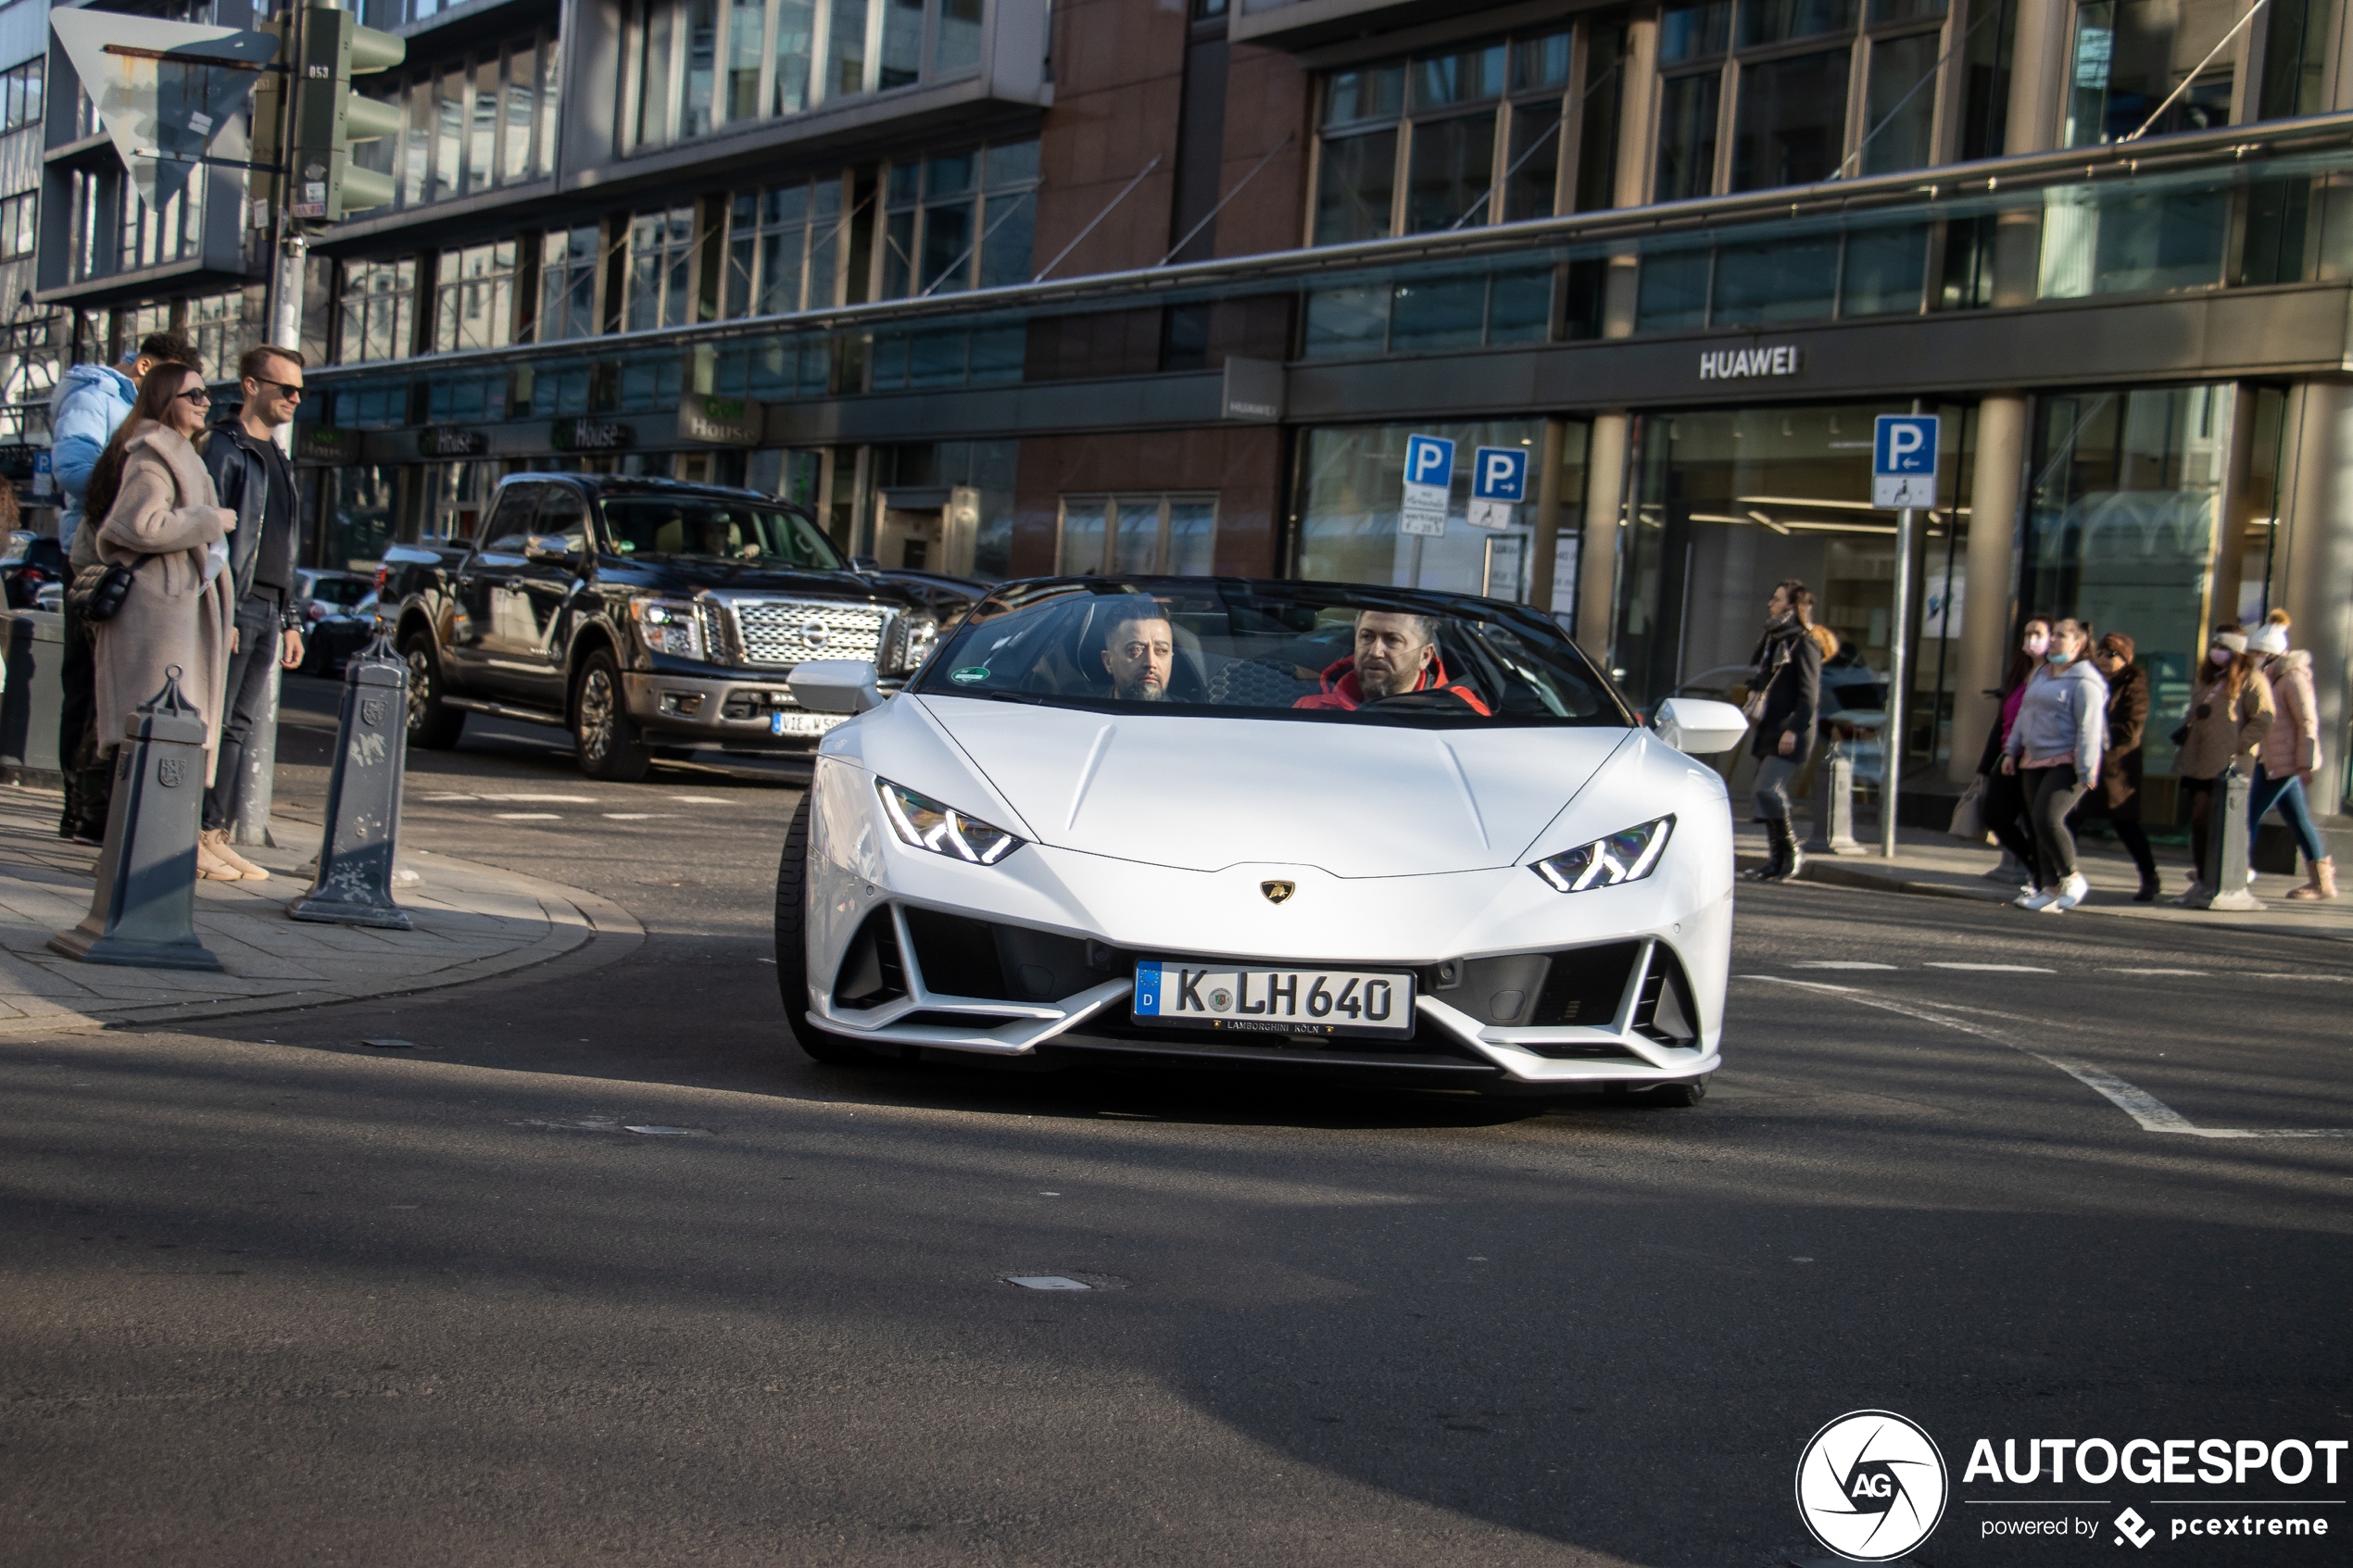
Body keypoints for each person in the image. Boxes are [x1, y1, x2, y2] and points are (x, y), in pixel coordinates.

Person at [83, 363, 239, 879]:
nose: (204, 402)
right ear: (165, 398)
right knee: (160, 728)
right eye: (193, 393)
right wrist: (208, 520)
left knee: (175, 726)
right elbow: (137, 524)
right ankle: (156, 846)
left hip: (178, 608)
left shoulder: (183, 454)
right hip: (159, 610)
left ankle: (171, 840)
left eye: (206, 393)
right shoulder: (153, 454)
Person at [52, 332, 198, 844]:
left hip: (125, 571)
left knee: (111, 692)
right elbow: (74, 473)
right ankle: (84, 810)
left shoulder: (158, 437)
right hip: (100, 568)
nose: (202, 403)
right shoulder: (99, 403)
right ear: (148, 374)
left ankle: (93, 809)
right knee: (94, 691)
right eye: (190, 392)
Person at [198, 345, 308, 882]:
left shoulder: (281, 461)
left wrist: (291, 620)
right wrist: (222, 608)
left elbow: (284, 547)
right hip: (235, 603)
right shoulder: (225, 448)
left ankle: (212, 832)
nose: (294, 398)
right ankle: (190, 834)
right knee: (214, 724)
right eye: (285, 388)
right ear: (250, 386)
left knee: (239, 724)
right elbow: (209, 534)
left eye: (299, 391)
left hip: (268, 607)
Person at [1999, 617, 2108, 911]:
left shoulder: (2086, 681)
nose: (2054, 640)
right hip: (2034, 758)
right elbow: (2024, 712)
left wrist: (2087, 768)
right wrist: (2012, 751)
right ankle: (2049, 888)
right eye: (2054, 635)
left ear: (2079, 643)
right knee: (2037, 823)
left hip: (2066, 761)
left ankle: (2072, 876)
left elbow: (2090, 728)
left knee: (2049, 817)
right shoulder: (2041, 675)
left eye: (2061, 635)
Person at [2171, 624, 2275, 906]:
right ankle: (2204, 879)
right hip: (2197, 759)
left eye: (2225, 649)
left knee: (2221, 823)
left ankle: (2224, 879)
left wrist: (2239, 745)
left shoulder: (2252, 680)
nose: (2218, 653)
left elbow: (2264, 718)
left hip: (2228, 765)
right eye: (2216, 648)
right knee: (2199, 820)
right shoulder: (2208, 679)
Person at [2246, 609, 2334, 901]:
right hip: (2273, 760)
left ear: (2270, 653)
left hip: (2283, 764)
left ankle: (2231, 867)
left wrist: (2305, 763)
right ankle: (2322, 881)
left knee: (2249, 814)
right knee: (2298, 819)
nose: (2253, 656)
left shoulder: (2291, 678)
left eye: (2258, 652)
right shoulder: (2270, 676)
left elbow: (2307, 722)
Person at [1744, 580, 1821, 884]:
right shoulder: (1774, 641)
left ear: (1791, 606)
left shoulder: (1805, 643)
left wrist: (1794, 729)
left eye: (1777, 600)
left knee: (1768, 789)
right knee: (1762, 793)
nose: (1770, 604)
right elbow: (1763, 676)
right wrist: (1753, 694)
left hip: (1792, 730)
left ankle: (1791, 853)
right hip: (1769, 728)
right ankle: (1776, 861)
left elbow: (1809, 694)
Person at [2074, 632, 2160, 901]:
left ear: (2125, 659)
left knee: (2125, 824)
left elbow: (2132, 727)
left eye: (2111, 654)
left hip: (2117, 767)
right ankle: (2054, 872)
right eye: (2100, 652)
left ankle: (2149, 876)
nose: (2103, 658)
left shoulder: (2133, 683)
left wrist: (2095, 732)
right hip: (2087, 761)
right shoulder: (2089, 679)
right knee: (2070, 817)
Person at [1973, 617, 2054, 892]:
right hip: (2009, 757)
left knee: (2035, 822)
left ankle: (2046, 880)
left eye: (2038, 633)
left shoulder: (2054, 675)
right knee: (1995, 816)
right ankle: (2036, 869)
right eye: (2028, 633)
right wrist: (1986, 764)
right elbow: (2003, 721)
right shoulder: (2020, 674)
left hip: (2036, 758)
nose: (2032, 639)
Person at [1293, 610, 1491, 713]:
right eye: (1367, 637)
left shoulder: (1461, 712)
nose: (1375, 652)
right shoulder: (1311, 709)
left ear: (1425, 656)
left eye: (1393, 640)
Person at [1101, 611, 1174, 701]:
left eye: (1162, 650)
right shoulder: (1084, 710)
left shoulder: (1191, 713)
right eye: (1136, 649)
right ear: (1108, 662)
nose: (1151, 663)